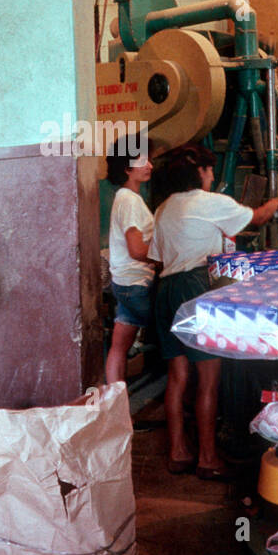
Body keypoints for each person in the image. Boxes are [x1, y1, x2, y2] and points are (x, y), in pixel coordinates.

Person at [150, 144, 278, 480]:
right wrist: (274, 204)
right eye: (210, 170)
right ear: (199, 172)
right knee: (209, 381)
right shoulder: (209, 202)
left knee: (177, 378)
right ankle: (208, 457)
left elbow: (157, 257)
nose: (212, 176)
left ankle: (178, 452)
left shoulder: (163, 208)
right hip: (196, 288)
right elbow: (256, 218)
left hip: (166, 291)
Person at [105, 139, 155, 384]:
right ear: (127, 168)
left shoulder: (123, 197)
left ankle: (118, 406)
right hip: (138, 285)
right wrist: (166, 258)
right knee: (177, 340)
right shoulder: (131, 200)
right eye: (142, 161)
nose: (150, 165)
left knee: (118, 347)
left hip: (123, 284)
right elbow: (136, 250)